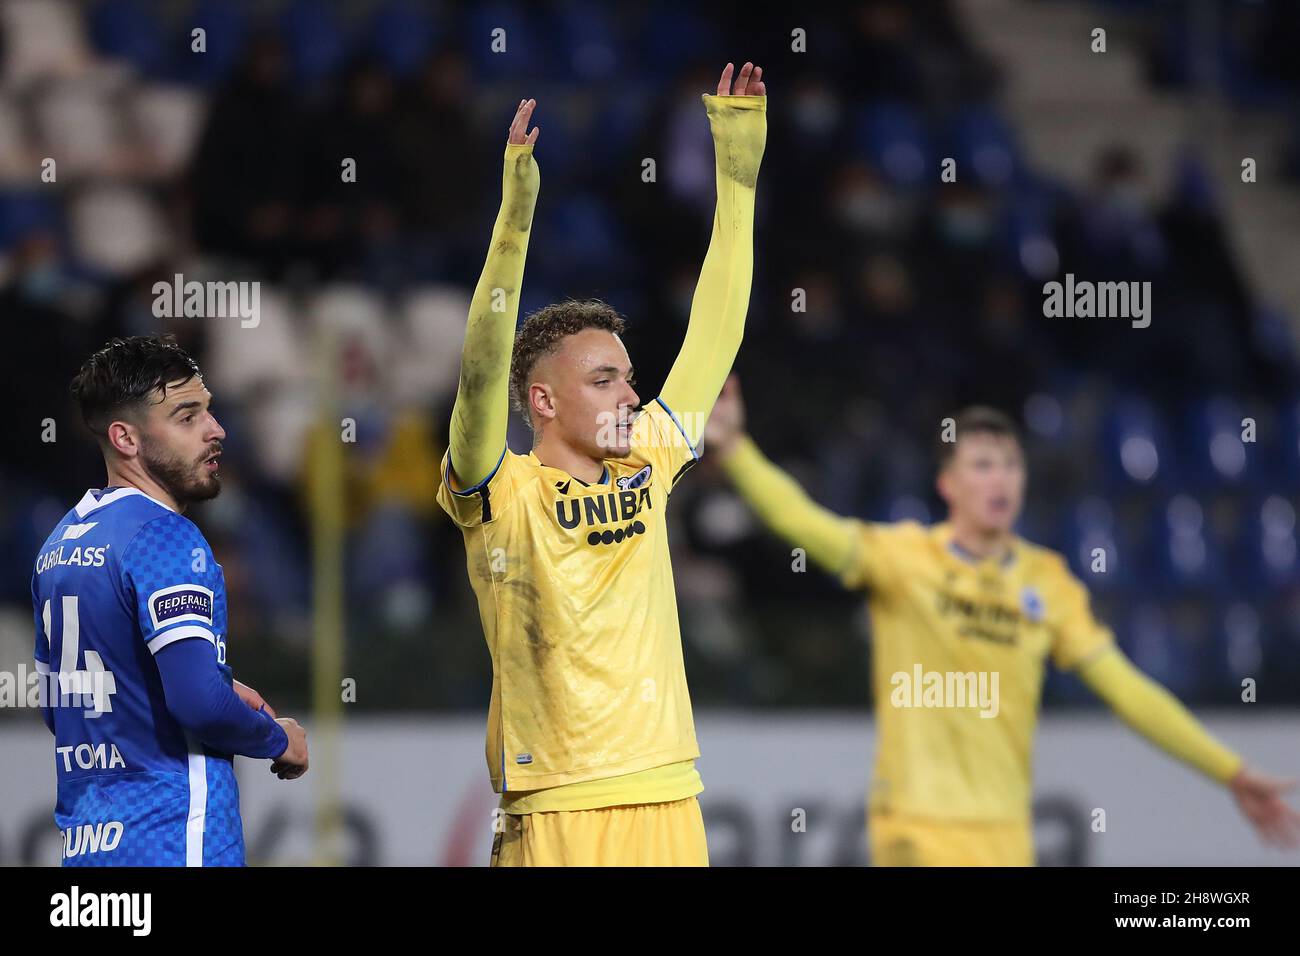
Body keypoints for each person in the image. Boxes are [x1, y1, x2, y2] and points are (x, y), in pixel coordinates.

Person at [705, 376, 1300, 865]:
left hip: (1005, 835)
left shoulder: (1047, 581)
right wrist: (736, 451)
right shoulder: (905, 559)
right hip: (916, 825)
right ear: (948, 484)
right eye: (983, 465)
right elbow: (805, 524)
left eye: (1011, 465)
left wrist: (1229, 771)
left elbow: (1126, 689)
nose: (1001, 479)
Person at [436, 63, 767, 866]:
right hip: (556, 802)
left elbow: (717, 327)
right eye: (604, 379)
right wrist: (514, 221)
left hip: (667, 792)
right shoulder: (500, 490)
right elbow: (483, 366)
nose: (632, 393)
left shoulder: (648, 457)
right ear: (543, 403)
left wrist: (737, 170)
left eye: (628, 374)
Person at [32, 334, 307, 866]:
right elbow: (199, 702)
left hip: (88, 850)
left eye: (208, 410)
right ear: (126, 439)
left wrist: (204, 678)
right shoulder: (165, 537)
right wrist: (277, 739)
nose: (216, 430)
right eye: (187, 417)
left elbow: (61, 705)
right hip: (173, 840)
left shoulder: (59, 545)